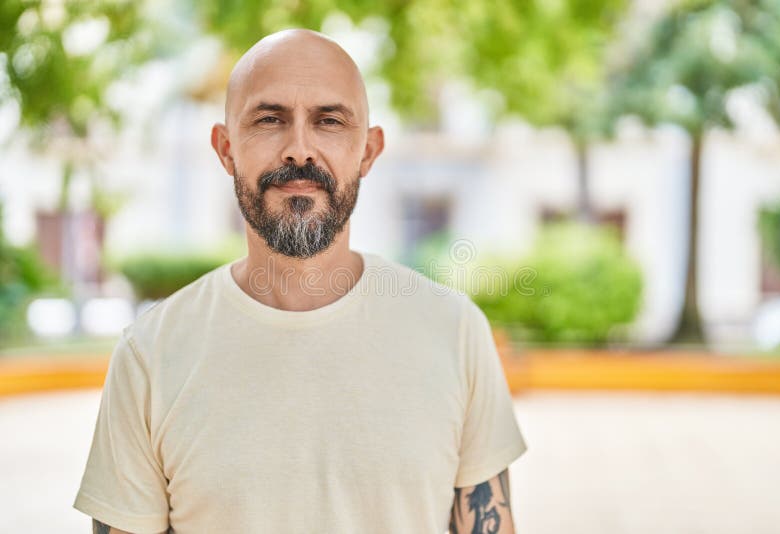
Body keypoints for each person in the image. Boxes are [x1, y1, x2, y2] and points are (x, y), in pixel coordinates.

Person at [73, 29, 527, 534]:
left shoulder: (455, 332)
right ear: (225, 148)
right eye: (270, 120)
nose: (299, 149)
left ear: (369, 151)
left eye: (329, 121)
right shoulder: (150, 355)